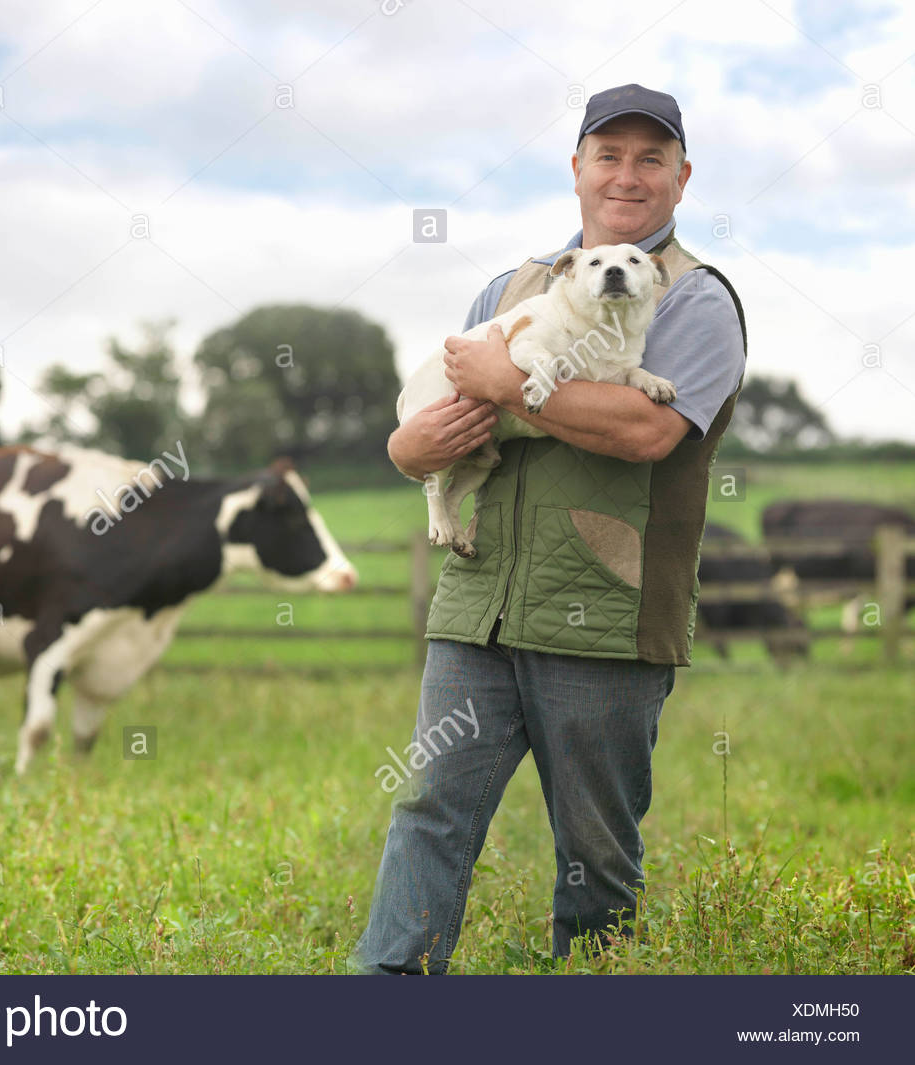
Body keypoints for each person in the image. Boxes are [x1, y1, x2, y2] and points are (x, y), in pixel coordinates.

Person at [355, 84, 747, 973]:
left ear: (683, 178)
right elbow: (442, 426)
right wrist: (408, 449)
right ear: (577, 168)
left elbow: (647, 432)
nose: (628, 174)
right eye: (609, 154)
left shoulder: (696, 301)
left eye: (653, 158)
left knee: (594, 851)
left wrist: (510, 384)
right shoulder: (507, 288)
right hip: (479, 603)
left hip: (604, 612)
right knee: (428, 809)